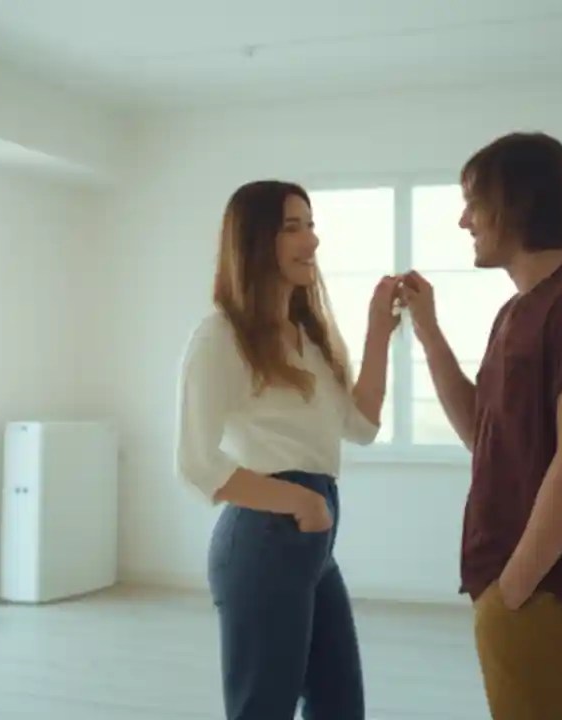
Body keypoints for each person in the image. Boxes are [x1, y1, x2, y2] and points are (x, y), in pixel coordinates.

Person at [399, 132, 562, 719]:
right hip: (507, 581)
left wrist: (515, 587)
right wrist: (427, 330)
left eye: (473, 202)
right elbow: (481, 433)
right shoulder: (516, 311)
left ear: (515, 203)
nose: (463, 220)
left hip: (540, 586)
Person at [174, 180, 400, 720]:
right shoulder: (220, 337)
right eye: (292, 227)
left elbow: (362, 426)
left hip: (311, 543)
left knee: (340, 706)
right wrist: (301, 502)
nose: (312, 241)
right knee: (263, 709)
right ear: (255, 242)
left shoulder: (308, 337)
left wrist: (377, 333)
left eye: (311, 224)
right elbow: (196, 463)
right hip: (264, 538)